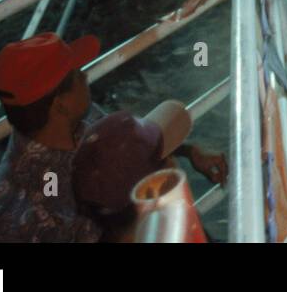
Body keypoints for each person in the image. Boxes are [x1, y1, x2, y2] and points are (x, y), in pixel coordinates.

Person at [0, 33, 105, 243]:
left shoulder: (83, 119)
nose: (85, 77)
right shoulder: (16, 219)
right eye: (78, 74)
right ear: (60, 105)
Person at [72, 104, 224, 243]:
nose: (172, 160)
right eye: (167, 156)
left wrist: (188, 151)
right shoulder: (179, 230)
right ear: (151, 187)